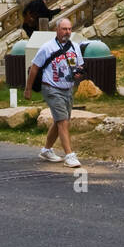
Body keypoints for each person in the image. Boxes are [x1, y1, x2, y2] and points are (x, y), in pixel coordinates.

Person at [25, 17, 88, 168]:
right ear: (57, 30)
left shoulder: (75, 47)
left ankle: (46, 150)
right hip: (52, 88)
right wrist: (28, 89)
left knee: (60, 120)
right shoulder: (47, 47)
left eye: (69, 29)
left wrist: (79, 73)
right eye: (64, 29)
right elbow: (34, 67)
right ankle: (69, 155)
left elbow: (80, 66)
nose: (67, 32)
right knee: (62, 121)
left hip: (68, 88)